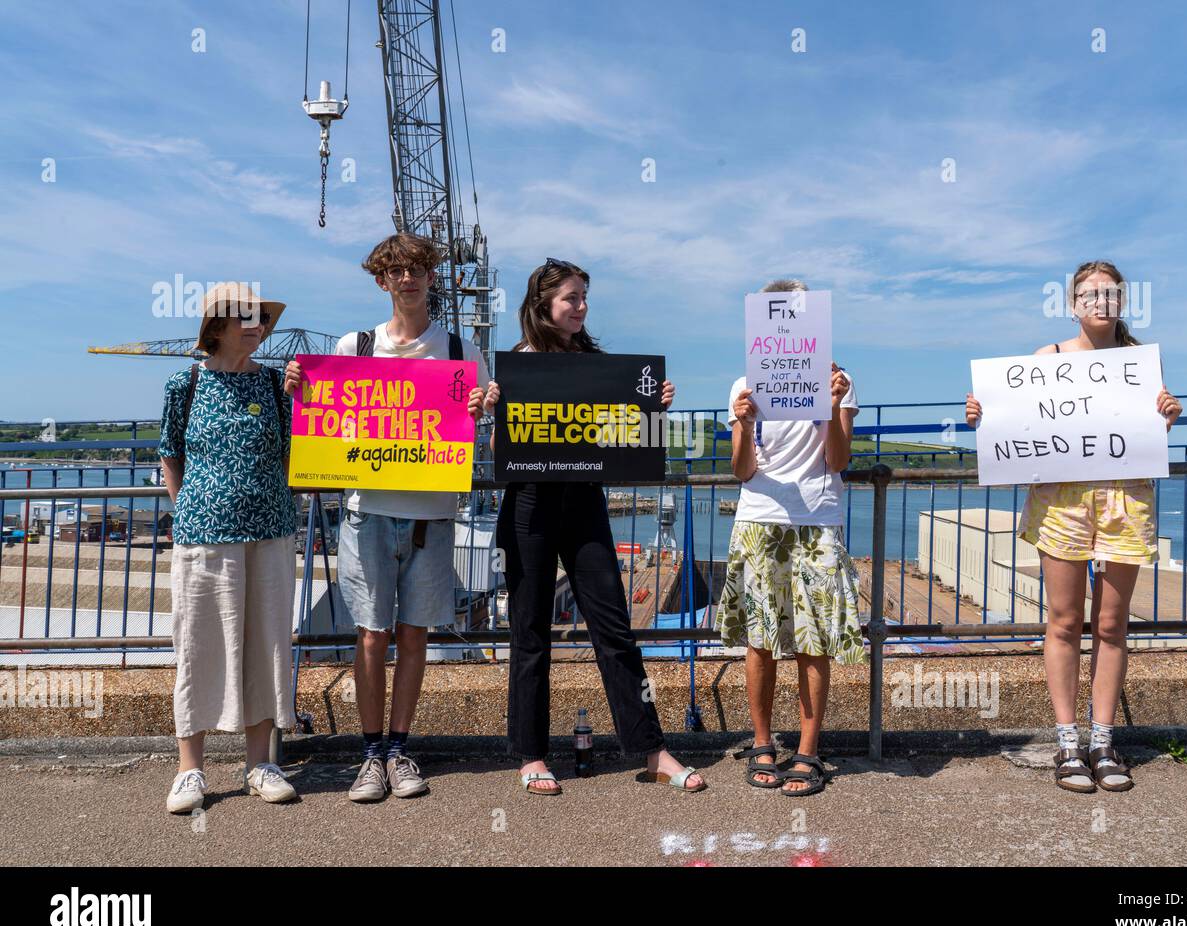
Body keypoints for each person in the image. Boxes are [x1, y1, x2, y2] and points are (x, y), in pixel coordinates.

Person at [283, 233, 495, 802]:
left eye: (417, 269)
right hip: (367, 512)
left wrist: (482, 409)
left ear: (431, 277)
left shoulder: (459, 350)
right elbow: (324, 420)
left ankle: (399, 749)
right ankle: (371, 754)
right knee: (372, 636)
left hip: (431, 515)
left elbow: (475, 425)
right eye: (396, 271)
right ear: (381, 281)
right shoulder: (354, 345)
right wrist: (300, 391)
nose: (407, 279)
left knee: (413, 634)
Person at [965, 261, 1182, 793]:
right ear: (1073, 304)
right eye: (1090, 294)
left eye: (1110, 293)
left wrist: (1168, 413)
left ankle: (1102, 741)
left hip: (1125, 500)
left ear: (1123, 301)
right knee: (1063, 620)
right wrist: (982, 417)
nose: (1100, 302)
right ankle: (1067, 742)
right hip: (1061, 502)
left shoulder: (1139, 362)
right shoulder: (1048, 359)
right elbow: (1015, 421)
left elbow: (1147, 426)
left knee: (1111, 624)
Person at [495, 257, 705, 795]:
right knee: (529, 633)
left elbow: (624, 438)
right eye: (572, 297)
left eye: (584, 297)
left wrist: (653, 409)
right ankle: (531, 755)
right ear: (544, 303)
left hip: (584, 503)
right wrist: (494, 413)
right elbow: (500, 451)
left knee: (615, 631)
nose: (582, 307)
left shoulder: (598, 365)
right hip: (529, 506)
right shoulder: (517, 364)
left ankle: (653, 750)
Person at [716, 279, 863, 797]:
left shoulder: (839, 380)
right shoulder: (744, 385)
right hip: (759, 518)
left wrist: (833, 406)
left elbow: (838, 461)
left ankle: (807, 750)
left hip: (818, 520)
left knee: (813, 640)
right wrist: (741, 423)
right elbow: (742, 471)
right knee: (760, 640)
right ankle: (762, 742)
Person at [159, 282, 300, 813]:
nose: (258, 325)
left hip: (271, 531)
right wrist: (187, 511)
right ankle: (189, 770)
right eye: (245, 317)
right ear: (216, 327)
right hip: (205, 534)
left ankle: (260, 764)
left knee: (266, 644)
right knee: (198, 647)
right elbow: (170, 452)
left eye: (261, 317)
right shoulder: (186, 382)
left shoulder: (274, 384)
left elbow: (296, 451)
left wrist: (306, 399)